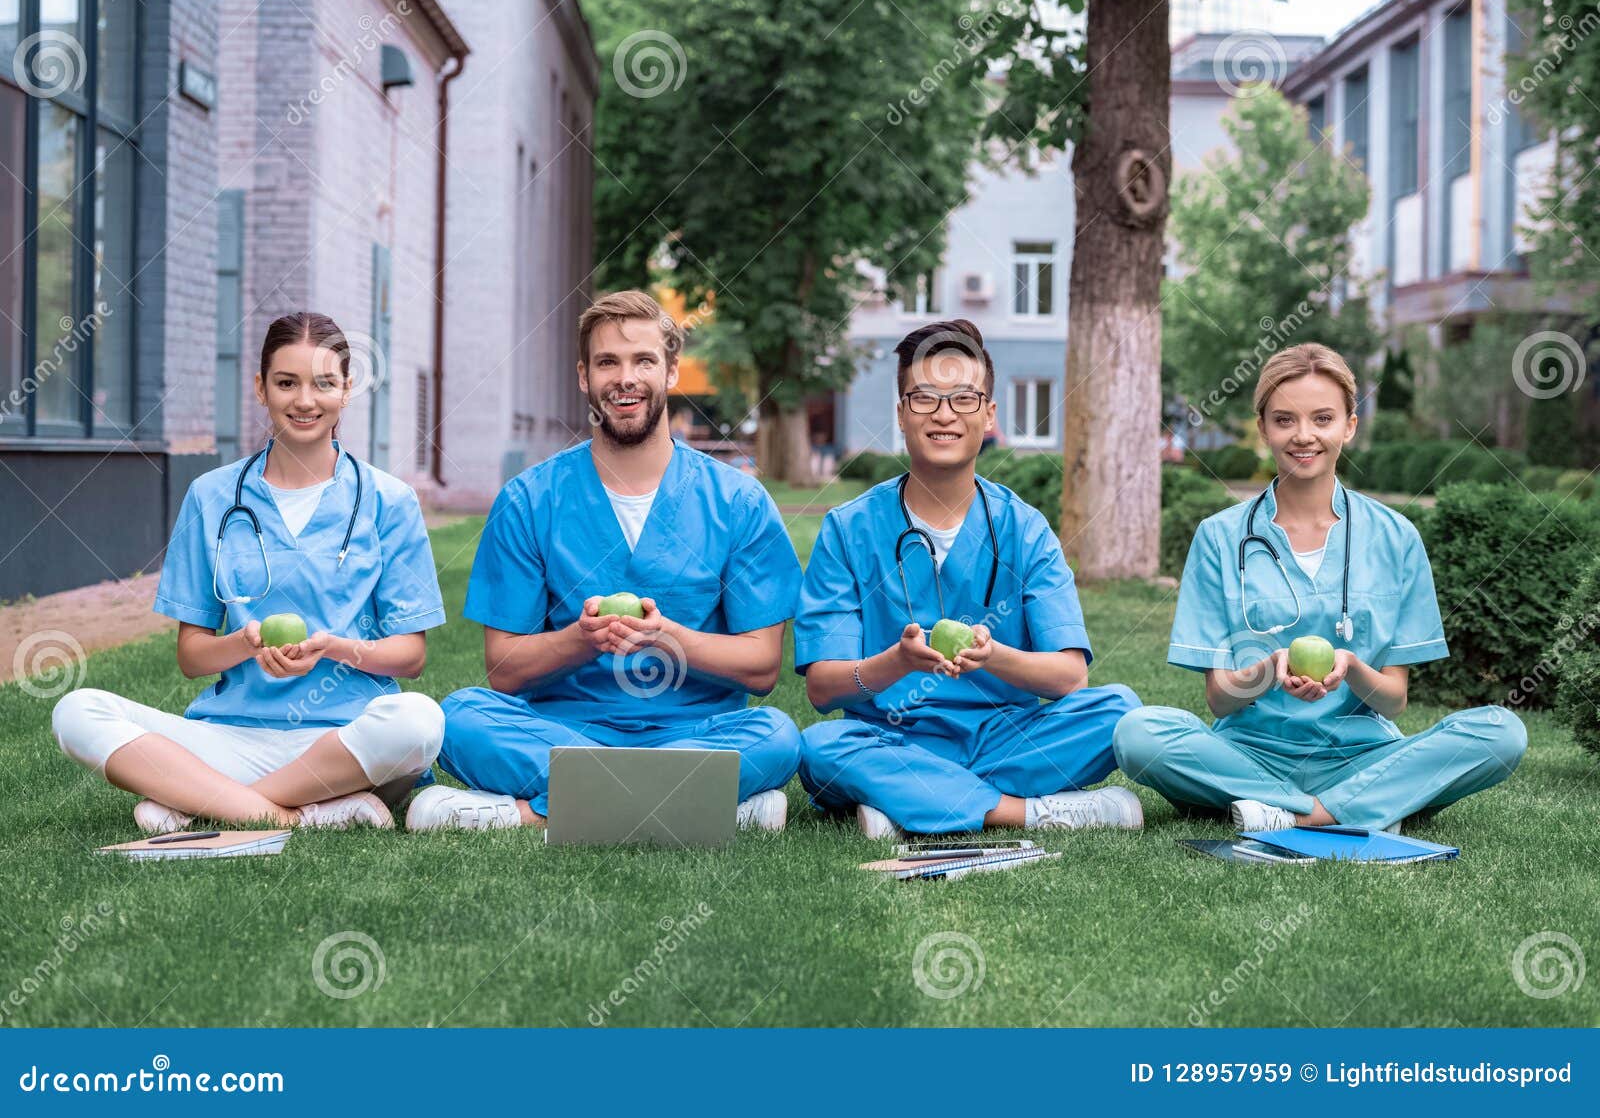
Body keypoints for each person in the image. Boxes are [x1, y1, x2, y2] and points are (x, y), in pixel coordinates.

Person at [412, 290, 802, 833]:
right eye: (607, 362)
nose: (625, 378)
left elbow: (761, 669)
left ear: (670, 373)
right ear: (583, 376)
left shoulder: (739, 502)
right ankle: (708, 804)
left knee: (777, 735)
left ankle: (529, 814)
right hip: (564, 733)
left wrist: (671, 638)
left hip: (694, 730)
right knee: (458, 717)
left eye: (643, 360)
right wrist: (581, 639)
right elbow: (503, 670)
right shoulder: (531, 500)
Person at [51, 312, 448, 832]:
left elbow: (410, 657)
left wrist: (333, 647)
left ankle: (202, 801)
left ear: (347, 389)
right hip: (232, 736)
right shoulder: (212, 496)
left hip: (346, 740)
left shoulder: (389, 501)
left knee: (420, 722)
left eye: (324, 383)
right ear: (261, 388)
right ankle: (296, 816)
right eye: (287, 383)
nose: (305, 401)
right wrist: (245, 643)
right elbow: (192, 657)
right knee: (78, 710)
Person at [1113, 343, 1526, 831]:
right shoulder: (1220, 537)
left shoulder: (1396, 537)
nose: (1303, 436)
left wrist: (1351, 668)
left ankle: (1292, 814)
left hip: (1363, 754)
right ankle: (1354, 808)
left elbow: (1393, 700)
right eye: (1284, 420)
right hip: (1247, 754)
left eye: (1323, 419)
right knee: (1137, 733)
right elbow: (1220, 701)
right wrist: (1267, 669)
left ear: (1349, 426)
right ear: (1263, 427)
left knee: (1502, 732)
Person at [794, 319, 1143, 839]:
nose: (943, 415)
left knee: (1119, 712)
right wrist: (897, 661)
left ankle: (911, 799)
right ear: (901, 414)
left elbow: (1070, 679)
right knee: (822, 748)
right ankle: (1028, 812)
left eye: (963, 399)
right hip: (893, 738)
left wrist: (994, 655)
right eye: (924, 398)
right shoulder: (849, 528)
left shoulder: (1024, 528)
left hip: (1007, 739)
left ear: (988, 414)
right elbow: (823, 688)